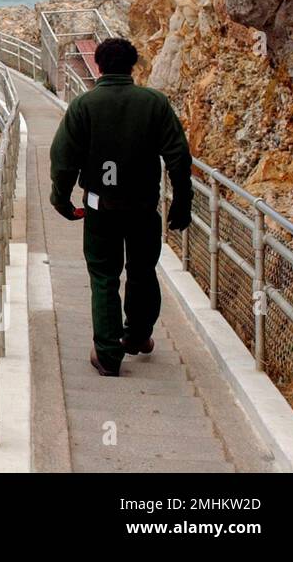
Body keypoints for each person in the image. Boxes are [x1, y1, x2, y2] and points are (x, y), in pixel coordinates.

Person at [49, 37, 193, 377]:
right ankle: (139, 335)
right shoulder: (154, 103)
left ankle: (108, 354)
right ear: (133, 65)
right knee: (143, 271)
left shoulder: (84, 106)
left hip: (100, 210)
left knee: (104, 277)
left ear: (98, 66)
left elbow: (63, 159)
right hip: (143, 207)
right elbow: (178, 155)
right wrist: (183, 201)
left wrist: (61, 199)